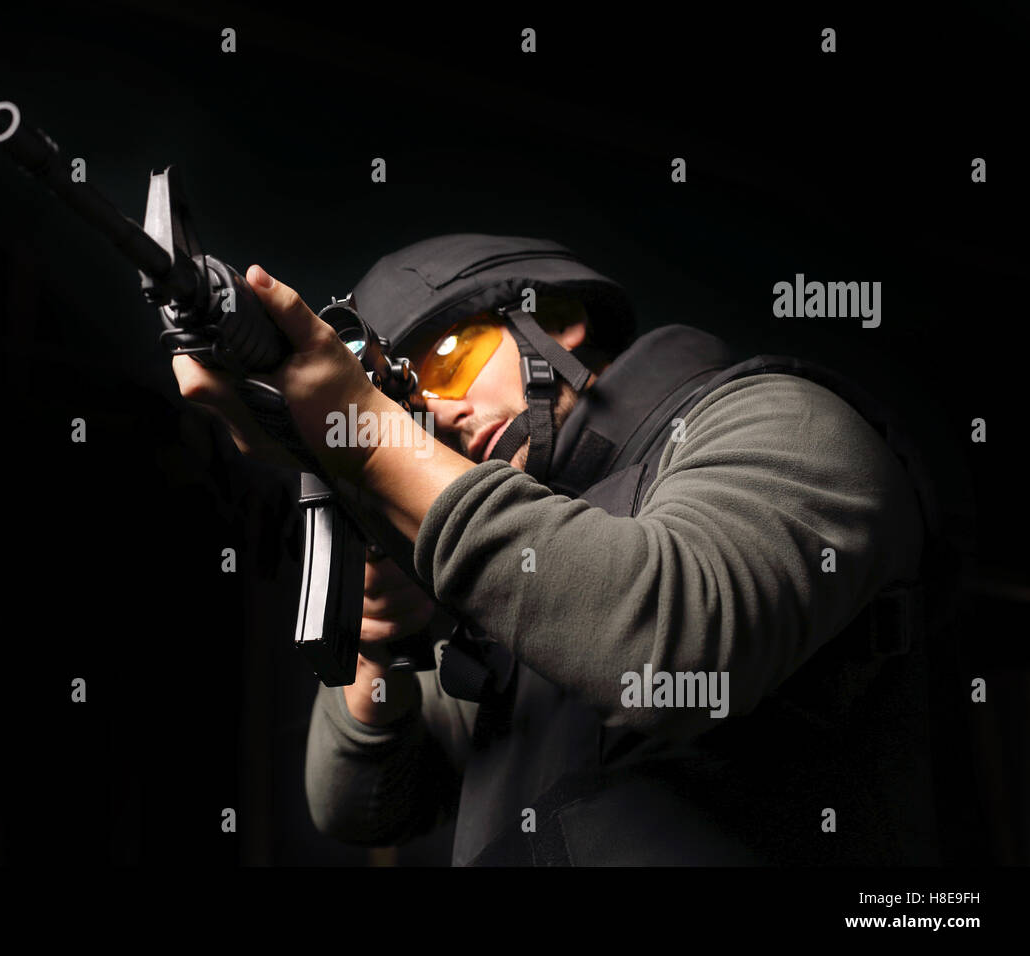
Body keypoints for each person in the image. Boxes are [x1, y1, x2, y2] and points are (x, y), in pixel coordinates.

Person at [173, 234, 941, 866]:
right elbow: (361, 805)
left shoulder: (774, 417)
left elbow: (672, 649)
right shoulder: (505, 571)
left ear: (558, 322)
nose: (439, 408)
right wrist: (380, 644)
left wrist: (370, 442)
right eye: (407, 401)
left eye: (448, 358)